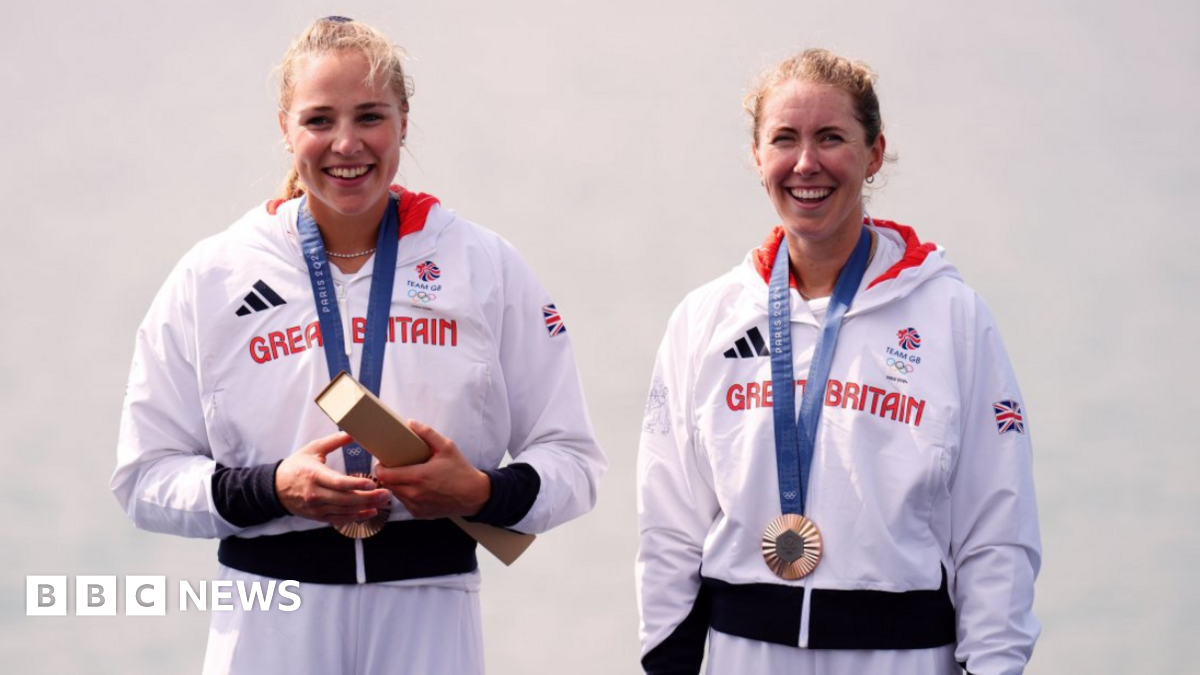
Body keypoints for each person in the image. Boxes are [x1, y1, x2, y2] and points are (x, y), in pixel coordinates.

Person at [112, 16, 605, 675]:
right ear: (285, 128)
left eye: (369, 116)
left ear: (403, 119)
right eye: (319, 120)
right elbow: (143, 478)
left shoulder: (482, 264)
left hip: (429, 608)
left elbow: (573, 461)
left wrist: (481, 491)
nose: (346, 144)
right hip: (269, 612)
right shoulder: (214, 275)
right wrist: (272, 487)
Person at [636, 49, 1040, 675]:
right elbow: (668, 523)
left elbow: (996, 527)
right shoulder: (705, 318)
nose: (806, 164)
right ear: (757, 156)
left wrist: (995, 665)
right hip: (743, 654)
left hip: (902, 657)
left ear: (874, 153)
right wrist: (667, 661)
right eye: (784, 140)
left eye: (831, 138)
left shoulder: (952, 316)